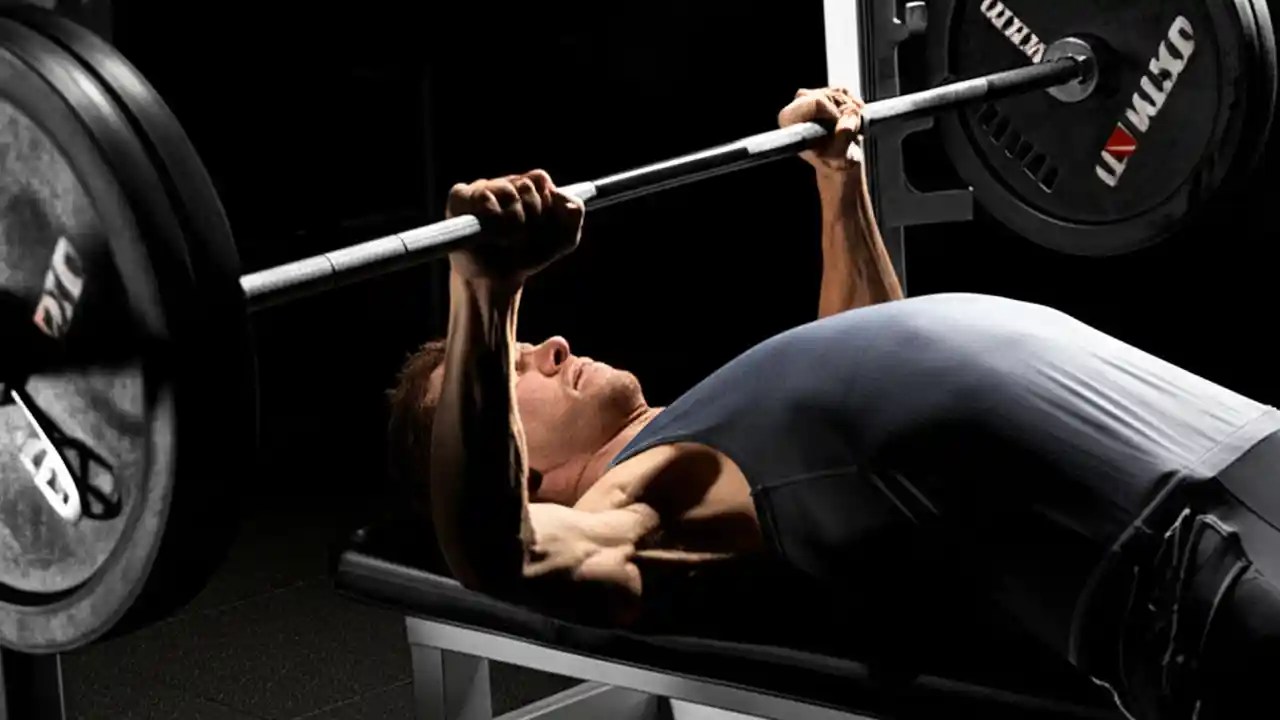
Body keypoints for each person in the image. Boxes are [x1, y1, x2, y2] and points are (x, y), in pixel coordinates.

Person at [386, 87, 1280, 720]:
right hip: (1185, 568)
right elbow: (501, 554)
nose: (554, 346)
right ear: (520, 469)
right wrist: (485, 293)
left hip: (1231, 447)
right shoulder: (643, 500)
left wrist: (834, 177)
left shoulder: (715, 430)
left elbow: (879, 367)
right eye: (514, 370)